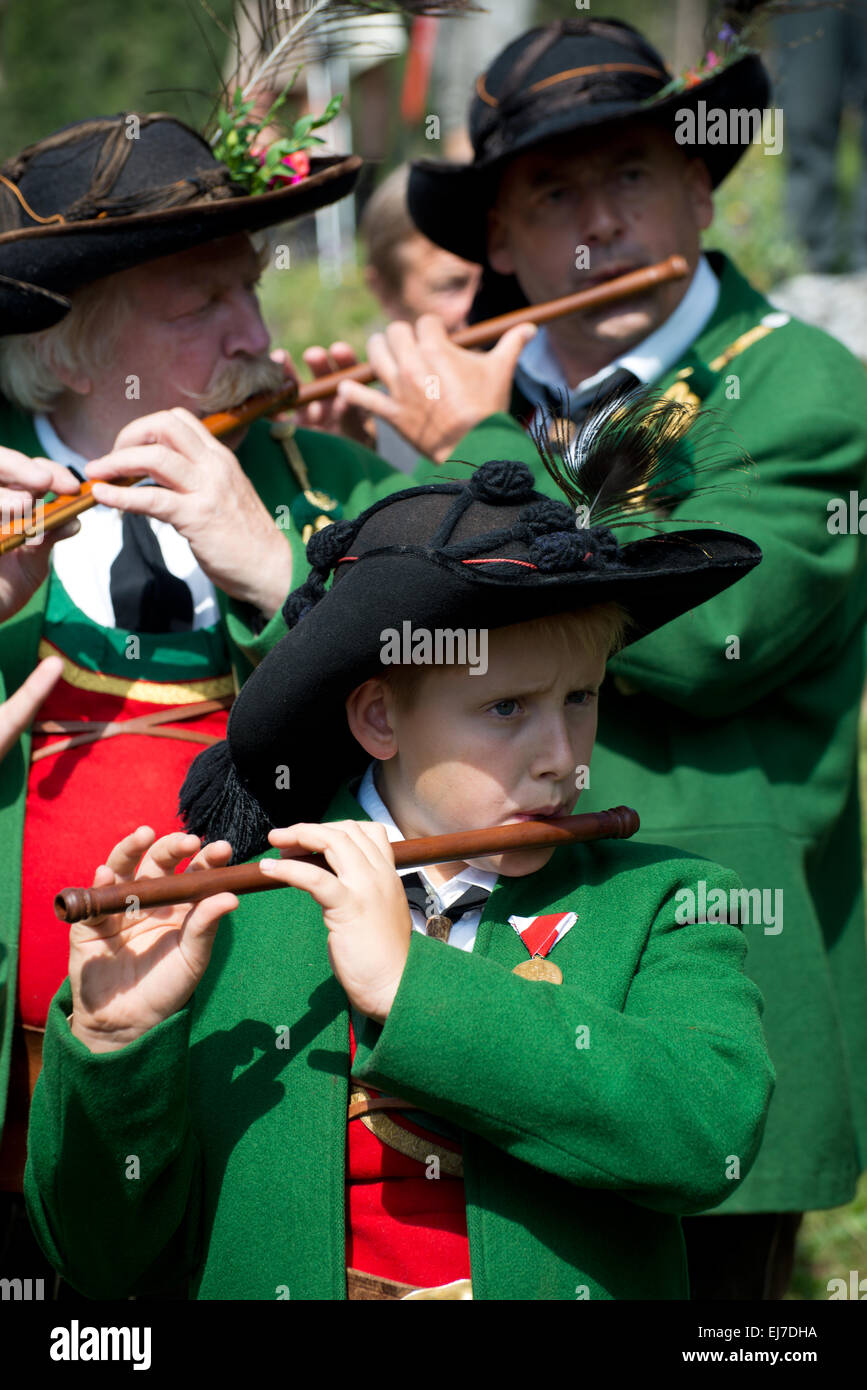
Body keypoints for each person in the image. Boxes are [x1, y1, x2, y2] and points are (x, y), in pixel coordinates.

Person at [306, 16, 867, 1299]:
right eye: (550, 191)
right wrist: (334, 477)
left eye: (630, 175)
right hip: (451, 1000)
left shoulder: (800, 386)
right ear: (495, 242)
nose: (595, 226)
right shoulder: (505, 387)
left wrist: (465, 455)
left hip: (699, 1014)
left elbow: (718, 634)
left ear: (700, 183)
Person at [24, 400, 774, 1300]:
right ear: (379, 716)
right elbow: (102, 1262)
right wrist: (117, 1046)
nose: (562, 757)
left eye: (580, 698)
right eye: (507, 708)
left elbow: (706, 1138)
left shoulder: (666, 900)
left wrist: (409, 988)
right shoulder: (228, 921)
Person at [0, 112, 531, 1276]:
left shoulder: (340, 489)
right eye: (201, 305)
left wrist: (286, 573)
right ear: (74, 350)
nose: (260, 334)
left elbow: (487, 701)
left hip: (276, 1084)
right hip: (26, 1099)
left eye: (252, 290)